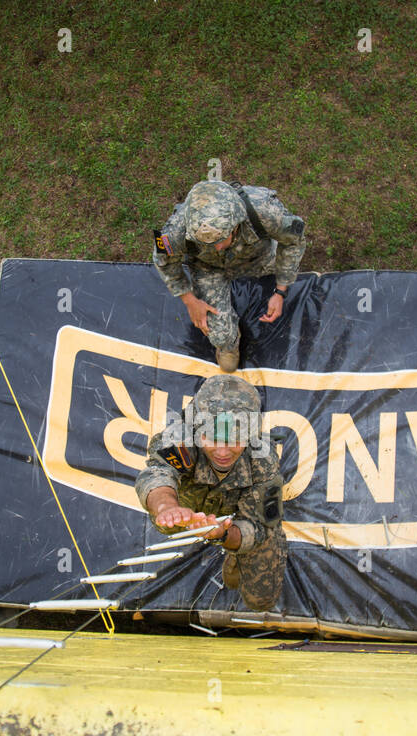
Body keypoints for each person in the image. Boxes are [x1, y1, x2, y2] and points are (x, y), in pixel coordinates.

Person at [135, 374, 286, 611]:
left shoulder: (263, 460)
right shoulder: (182, 438)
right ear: (197, 431)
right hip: (190, 503)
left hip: (239, 511)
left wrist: (225, 535)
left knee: (261, 601)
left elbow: (260, 527)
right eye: (212, 438)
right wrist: (167, 507)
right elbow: (157, 473)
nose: (222, 451)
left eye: (235, 439)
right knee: (164, 521)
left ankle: (234, 555)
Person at [152, 180, 306, 372]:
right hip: (208, 269)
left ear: (236, 225)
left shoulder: (263, 210)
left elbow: (294, 241)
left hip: (256, 257)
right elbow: (163, 261)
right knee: (219, 336)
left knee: (289, 264)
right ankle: (228, 345)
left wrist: (280, 291)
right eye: (208, 243)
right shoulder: (174, 231)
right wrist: (190, 300)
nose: (217, 247)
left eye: (221, 239)